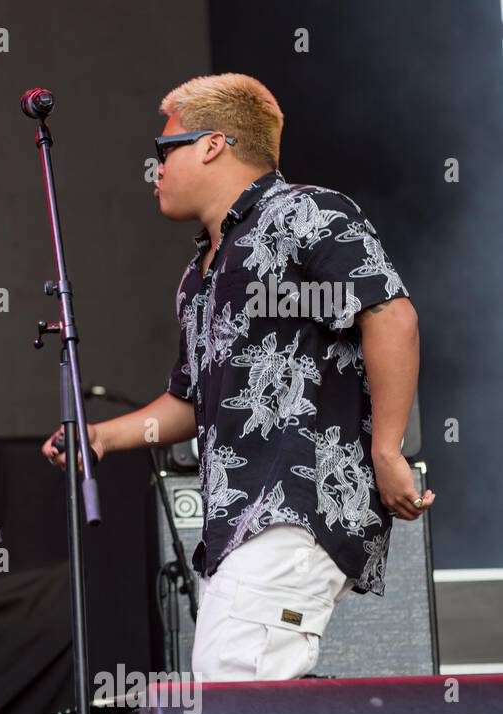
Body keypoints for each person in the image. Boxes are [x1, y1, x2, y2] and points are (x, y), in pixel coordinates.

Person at [44, 73, 432, 682]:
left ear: (212, 144)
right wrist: (103, 438)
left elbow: (391, 314)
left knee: (235, 692)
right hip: (240, 518)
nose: (156, 170)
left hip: (298, 504)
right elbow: (190, 403)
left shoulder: (306, 213)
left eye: (163, 149)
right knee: (244, 705)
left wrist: (386, 449)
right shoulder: (200, 273)